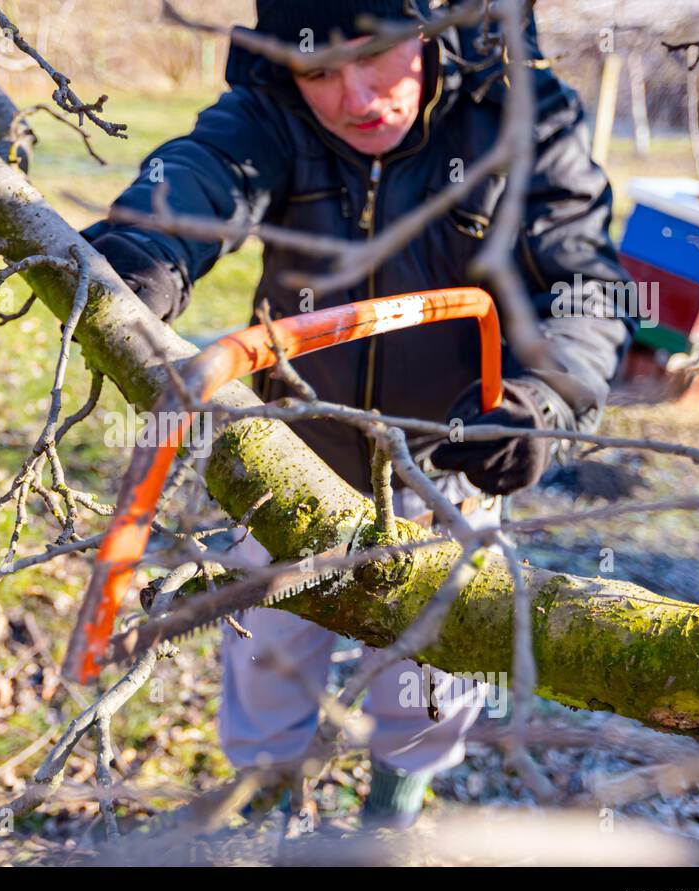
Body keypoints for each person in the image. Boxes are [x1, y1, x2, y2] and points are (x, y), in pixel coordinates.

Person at [82, 0, 637, 828]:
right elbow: (201, 173)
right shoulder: (271, 112)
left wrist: (541, 402)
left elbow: (585, 288)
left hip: (448, 471)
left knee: (431, 679)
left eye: (374, 54)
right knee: (266, 655)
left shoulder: (524, 117)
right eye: (318, 70)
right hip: (288, 455)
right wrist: (142, 254)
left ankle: (395, 813)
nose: (352, 97)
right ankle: (267, 809)